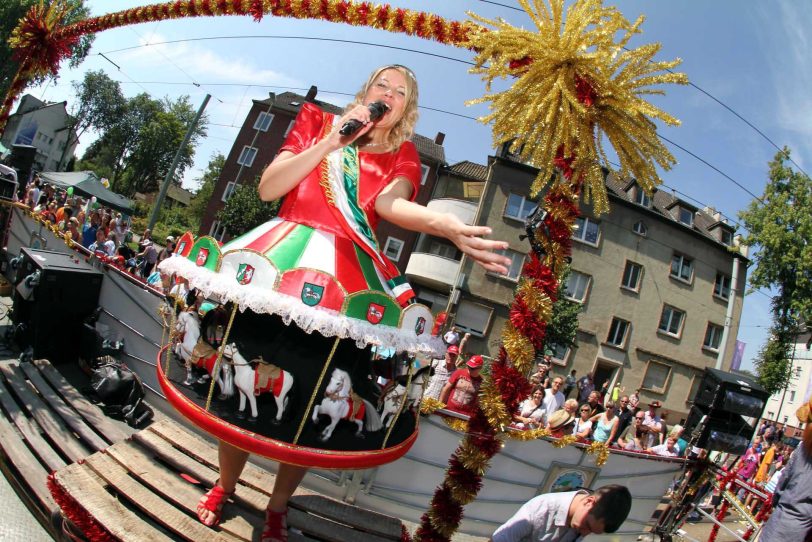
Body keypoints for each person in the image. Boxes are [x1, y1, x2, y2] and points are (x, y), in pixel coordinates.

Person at [157, 65, 513, 541]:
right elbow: (269, 188)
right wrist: (333, 141)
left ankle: (278, 508)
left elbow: (391, 207)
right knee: (237, 391)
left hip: (340, 297)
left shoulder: (404, 155)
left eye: (401, 92)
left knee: (306, 407)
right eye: (382, 86)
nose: (388, 95)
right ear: (366, 91)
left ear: (407, 109)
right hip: (277, 275)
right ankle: (225, 486)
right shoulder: (315, 123)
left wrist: (444, 225)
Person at [491, 484, 632, 541]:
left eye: (591, 531)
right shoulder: (542, 507)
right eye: (587, 526)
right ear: (589, 502)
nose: (584, 533)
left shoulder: (582, 519)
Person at [758, 397, 812, 541]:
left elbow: (783, 482)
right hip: (798, 528)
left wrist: (779, 502)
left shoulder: (801, 450)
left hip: (780, 522)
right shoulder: (802, 450)